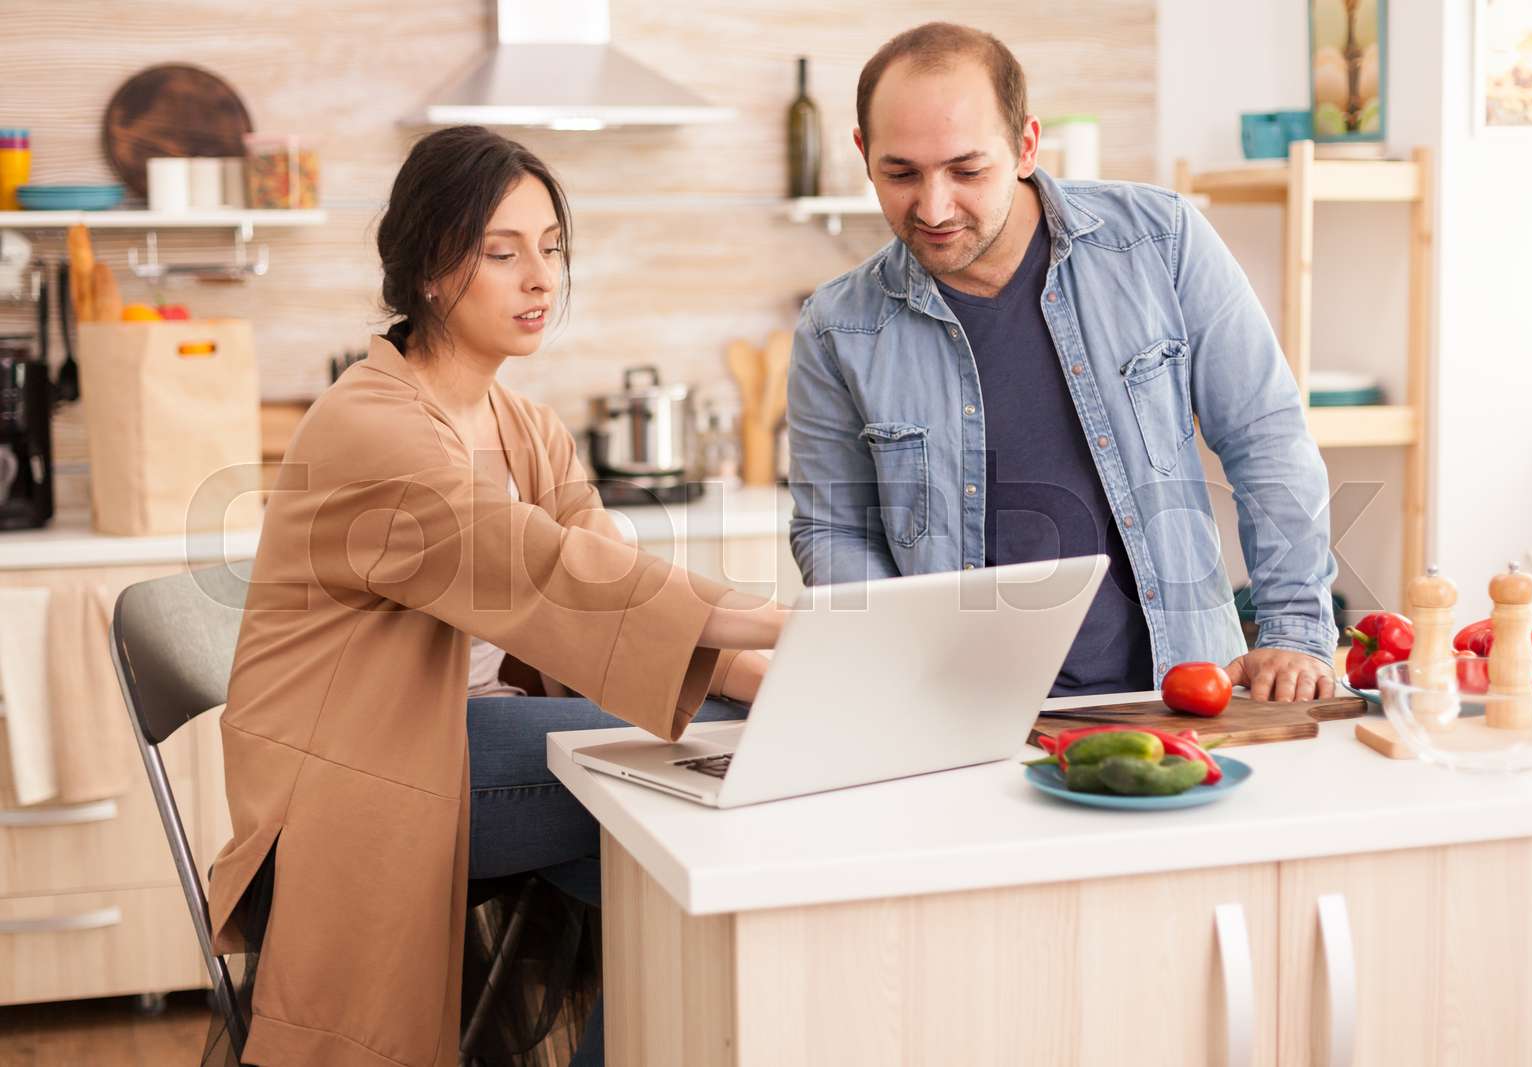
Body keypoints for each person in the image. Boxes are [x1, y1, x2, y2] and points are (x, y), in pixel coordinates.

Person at [206, 125, 782, 1067]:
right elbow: (551, 573)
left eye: (551, 249)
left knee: (682, 861)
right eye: (502, 253)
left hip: (472, 734)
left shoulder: (523, 421)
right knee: (685, 794)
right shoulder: (372, 425)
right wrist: (774, 624)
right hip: (357, 766)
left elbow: (605, 568)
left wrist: (793, 677)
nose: (541, 279)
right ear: (432, 270)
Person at [787, 23, 1339, 703]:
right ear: (864, 153)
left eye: (966, 170)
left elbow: (1265, 436)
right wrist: (899, 667)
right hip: (958, 715)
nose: (932, 207)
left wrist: (1292, 629)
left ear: (1025, 146)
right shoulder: (836, 327)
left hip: (1181, 694)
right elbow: (834, 527)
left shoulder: (1160, 241)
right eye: (900, 173)